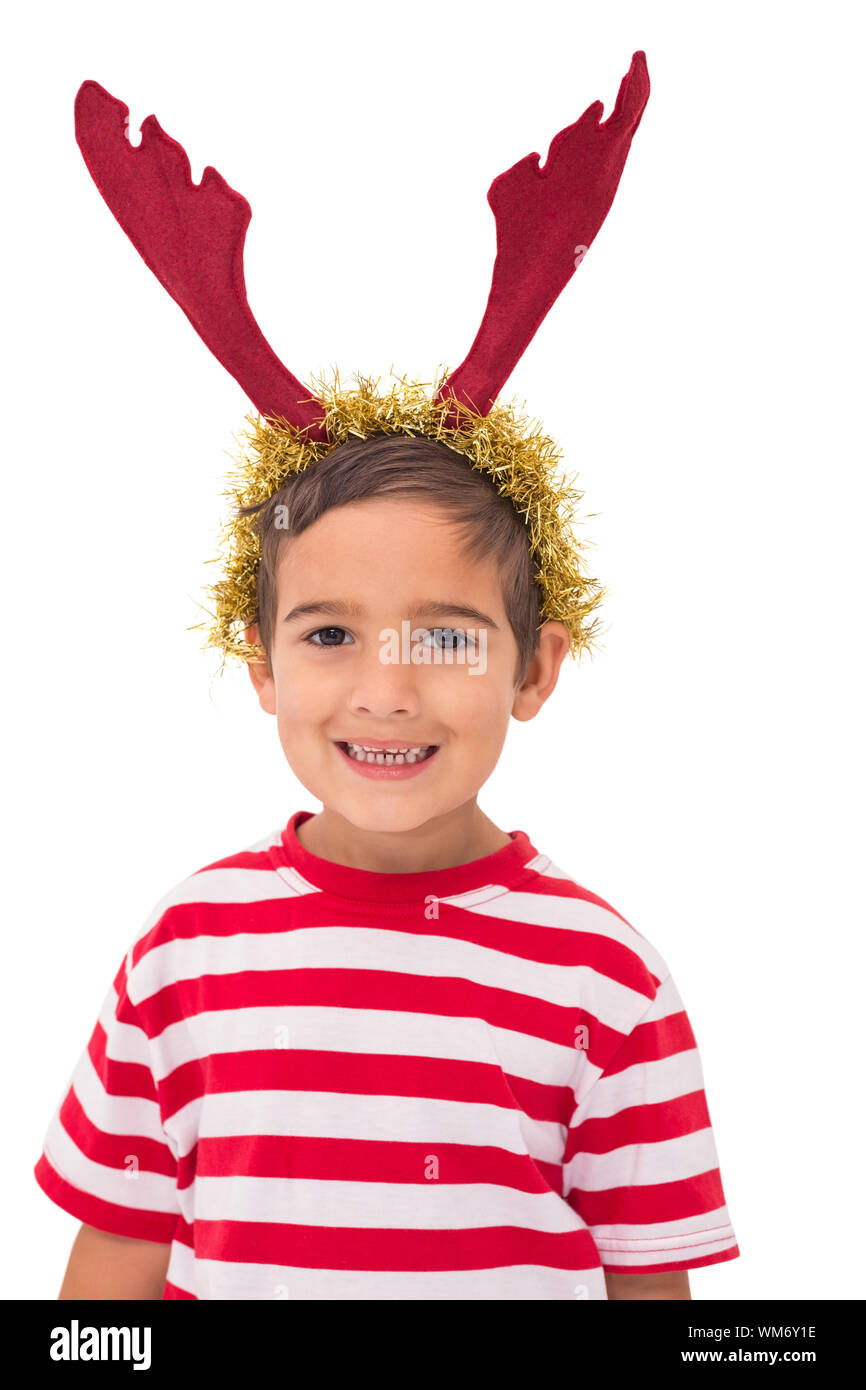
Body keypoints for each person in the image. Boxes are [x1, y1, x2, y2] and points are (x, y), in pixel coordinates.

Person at [34, 52, 741, 1300]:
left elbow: (656, 1297)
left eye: (448, 634)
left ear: (536, 669)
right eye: (328, 634)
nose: (386, 689)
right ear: (256, 665)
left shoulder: (604, 975)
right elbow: (108, 1287)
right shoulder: (186, 950)